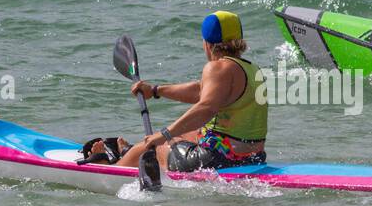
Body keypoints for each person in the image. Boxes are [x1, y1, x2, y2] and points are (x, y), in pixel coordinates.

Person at [82, 11, 268, 173]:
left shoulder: (217, 67)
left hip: (218, 161)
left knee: (154, 147)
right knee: (187, 135)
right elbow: (200, 90)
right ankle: (130, 152)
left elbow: (206, 106)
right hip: (253, 157)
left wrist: (164, 134)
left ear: (207, 43)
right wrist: (156, 90)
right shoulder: (251, 69)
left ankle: (111, 166)